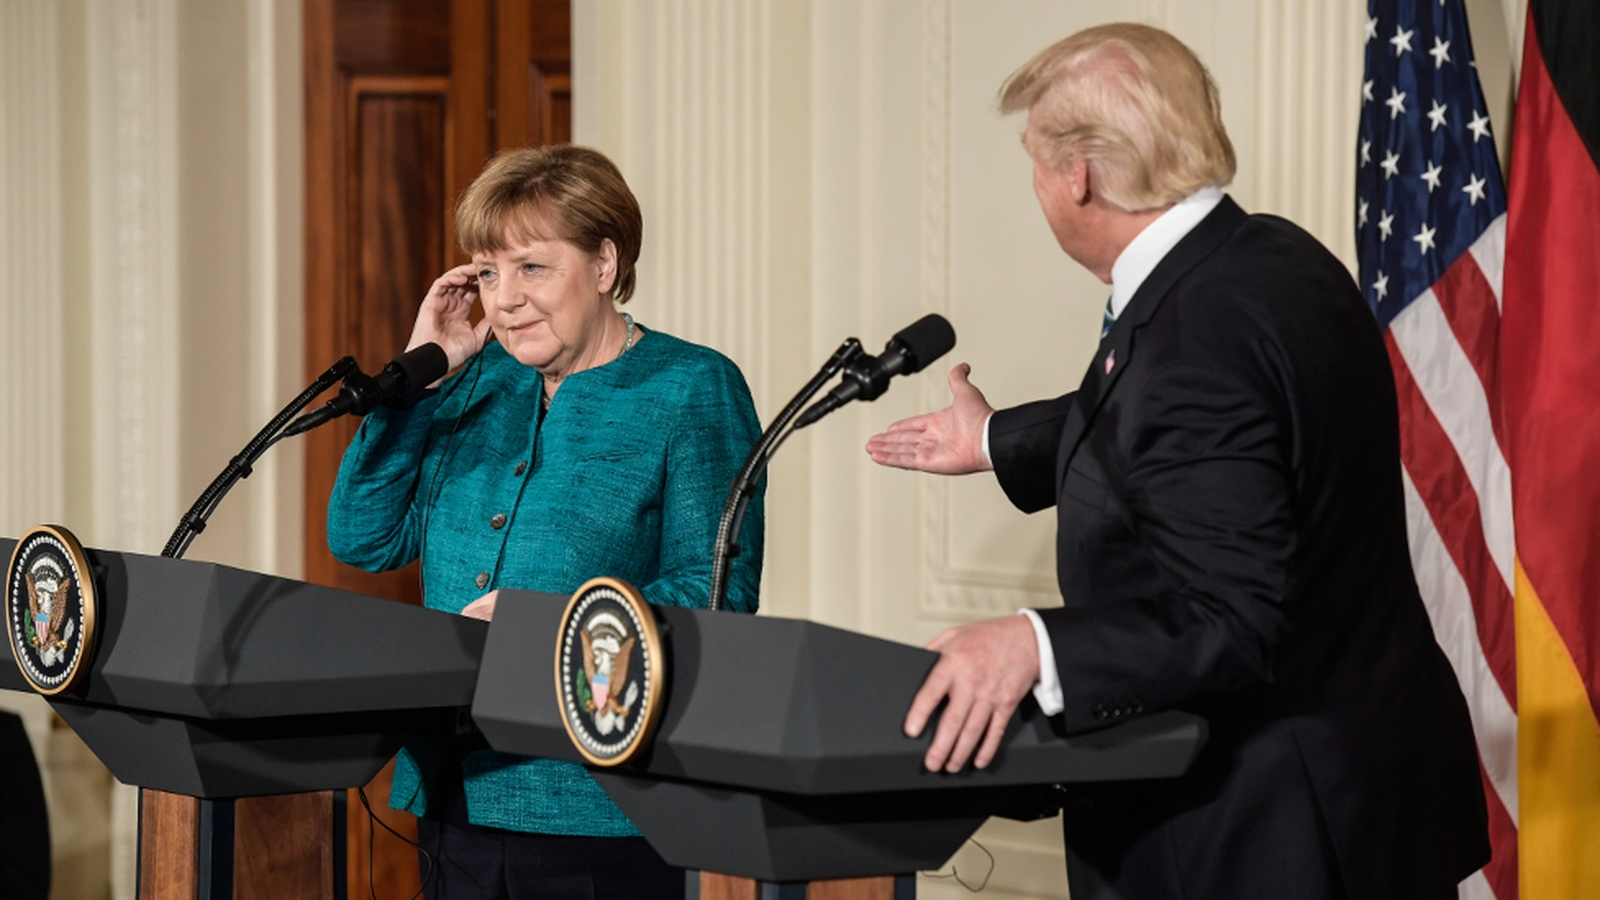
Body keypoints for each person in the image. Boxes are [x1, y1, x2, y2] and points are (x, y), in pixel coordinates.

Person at [866, 23, 1488, 900]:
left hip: (1269, 832)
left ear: (1077, 176)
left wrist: (1031, 644)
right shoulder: (1268, 258)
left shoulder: (1193, 336)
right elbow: (1200, 426)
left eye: (1036, 162)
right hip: (1367, 797)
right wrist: (997, 439)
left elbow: (1231, 616)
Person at [328, 144, 764, 900]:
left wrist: (550, 626)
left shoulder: (692, 386)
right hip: (452, 794)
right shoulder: (473, 384)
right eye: (488, 272)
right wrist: (421, 371)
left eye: (532, 267)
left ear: (603, 264)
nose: (504, 300)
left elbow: (720, 591)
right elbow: (365, 538)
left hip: (601, 805)